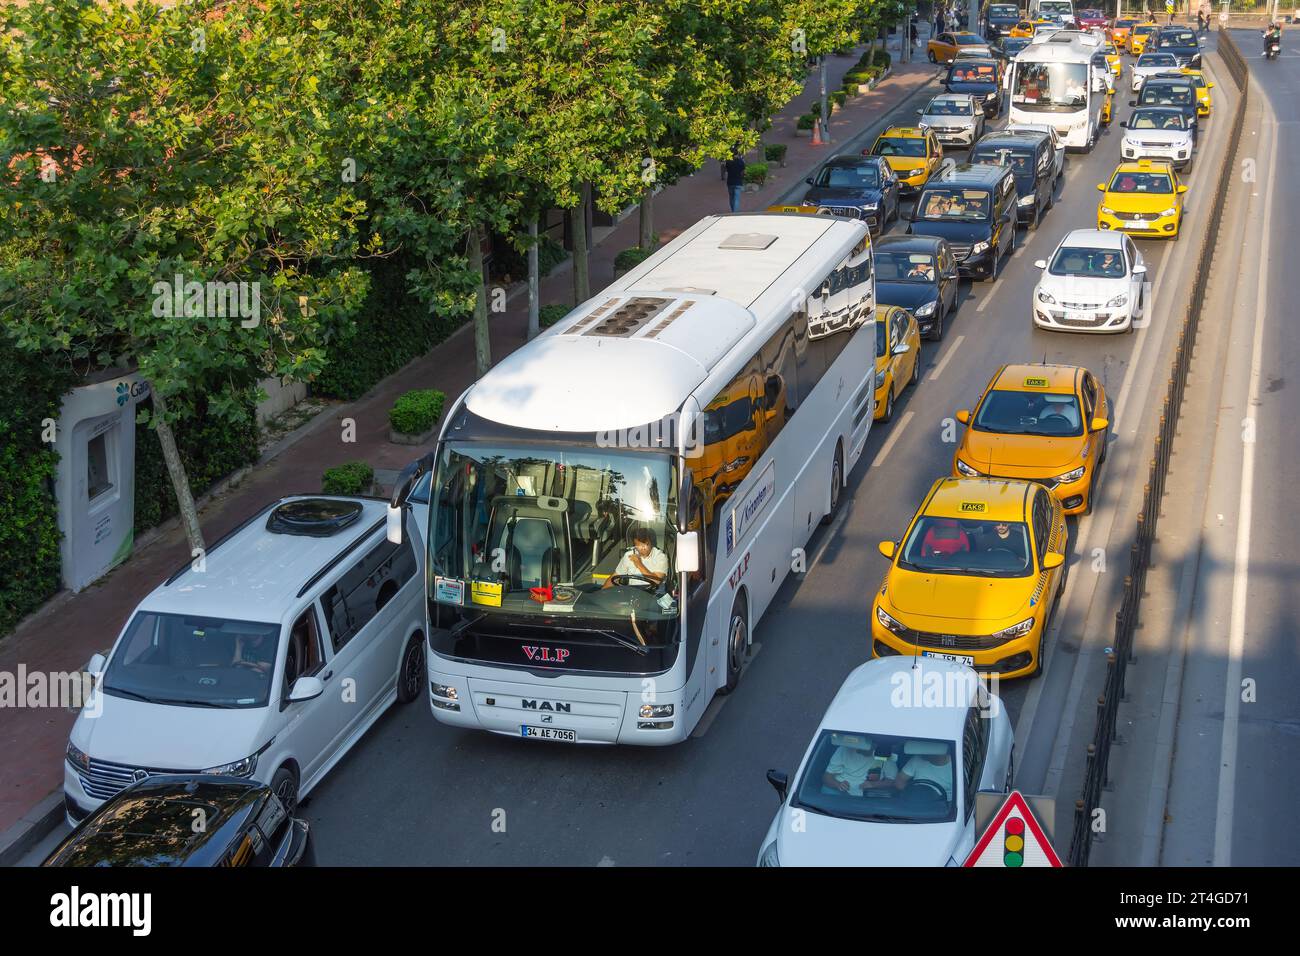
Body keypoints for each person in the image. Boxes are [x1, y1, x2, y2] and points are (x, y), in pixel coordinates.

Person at [823, 737, 896, 794]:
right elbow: (827, 777)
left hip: (869, 796)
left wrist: (874, 784)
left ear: (874, 744)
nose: (858, 750)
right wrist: (838, 784)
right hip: (840, 792)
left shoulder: (884, 753)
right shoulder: (844, 749)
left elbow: (892, 781)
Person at [604, 528, 669, 588]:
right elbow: (615, 576)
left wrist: (638, 563)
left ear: (651, 543)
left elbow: (656, 581)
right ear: (635, 545)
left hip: (654, 593)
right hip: (633, 592)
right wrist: (603, 591)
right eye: (639, 545)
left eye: (646, 544)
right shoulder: (629, 555)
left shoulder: (661, 557)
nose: (643, 548)